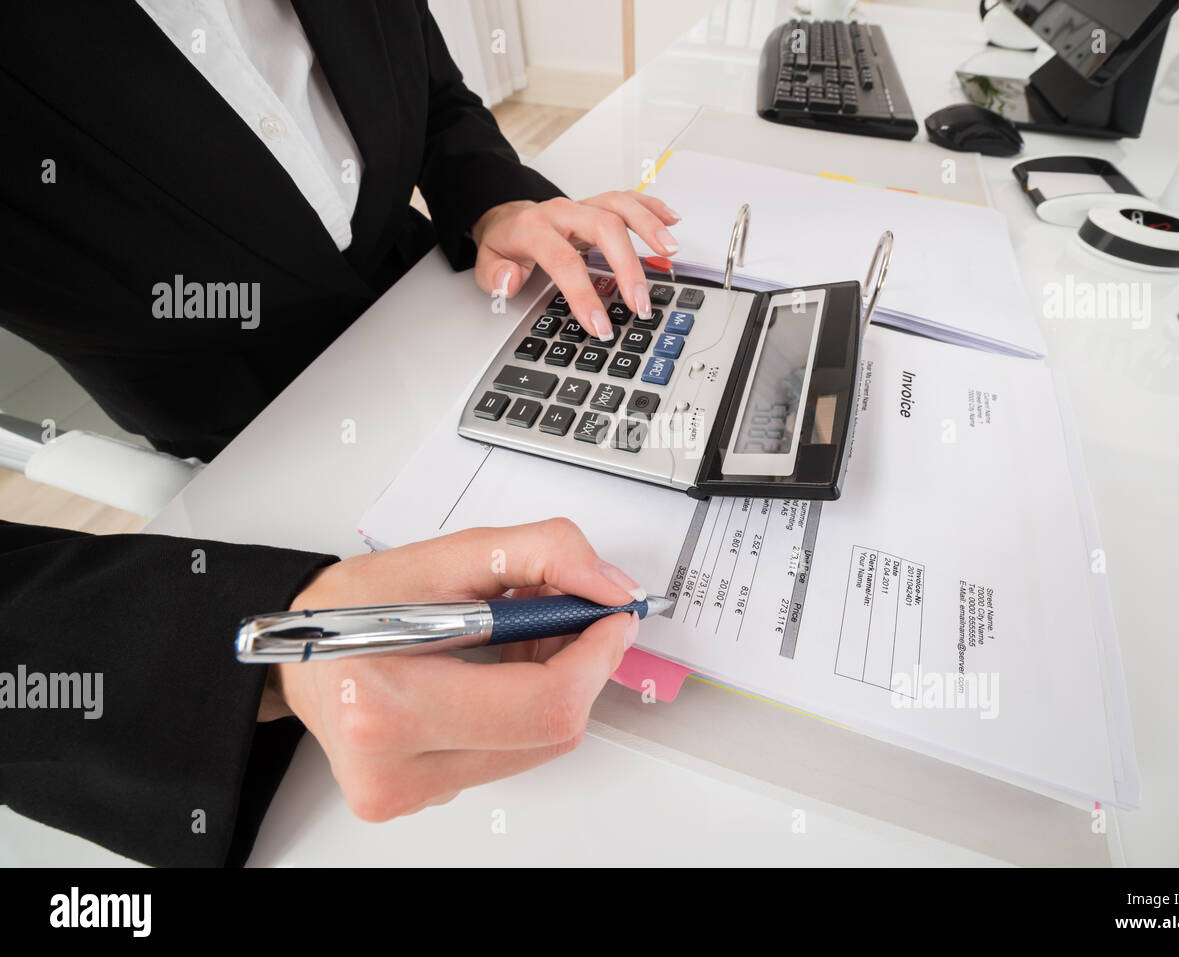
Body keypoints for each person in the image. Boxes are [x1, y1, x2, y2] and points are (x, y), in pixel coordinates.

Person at [0, 0, 675, 865]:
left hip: (446, 311)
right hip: (257, 448)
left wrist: (493, 197)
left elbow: (431, 91)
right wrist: (258, 653)